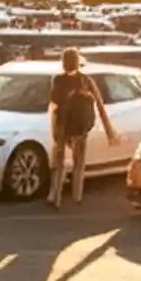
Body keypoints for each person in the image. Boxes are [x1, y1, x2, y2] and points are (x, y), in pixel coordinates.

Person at [48, 48, 118, 209]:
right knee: (79, 163)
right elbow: (100, 105)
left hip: (62, 126)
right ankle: (76, 196)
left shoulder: (57, 80)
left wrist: (54, 129)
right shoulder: (86, 81)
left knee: (58, 163)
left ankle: (55, 196)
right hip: (80, 128)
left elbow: (54, 102)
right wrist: (109, 131)